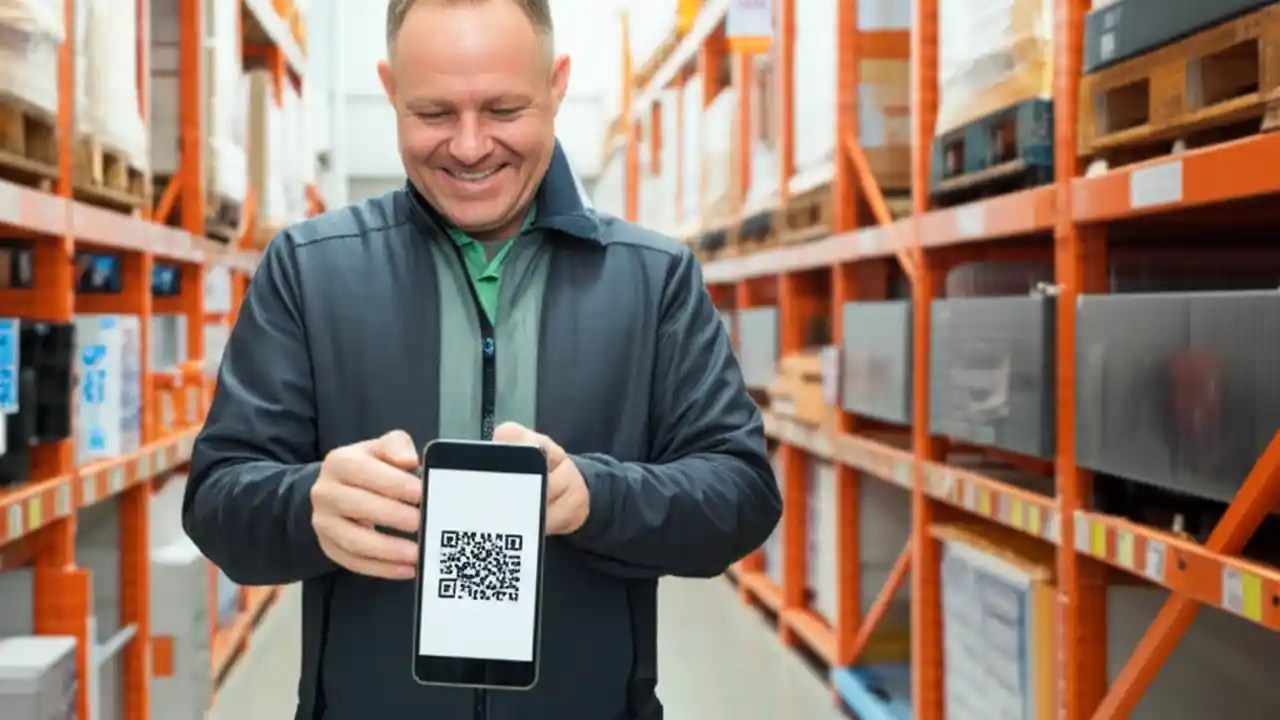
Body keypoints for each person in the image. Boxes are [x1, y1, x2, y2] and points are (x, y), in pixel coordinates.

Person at [182, 0, 782, 718]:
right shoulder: (309, 272)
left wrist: (597, 499)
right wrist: (309, 506)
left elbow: (741, 496)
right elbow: (218, 500)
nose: (469, 147)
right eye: (434, 113)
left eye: (503, 109)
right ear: (390, 89)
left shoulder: (651, 280)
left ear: (557, 85)